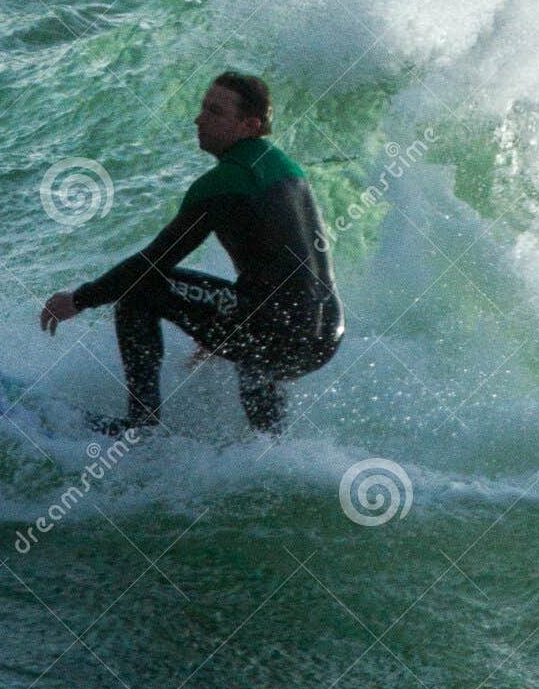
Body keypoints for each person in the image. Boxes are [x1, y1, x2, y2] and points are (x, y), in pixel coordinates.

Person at [39, 73, 343, 433]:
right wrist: (222, 324)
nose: (199, 119)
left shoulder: (224, 181)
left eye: (215, 112)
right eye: (202, 108)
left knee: (140, 289)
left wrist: (80, 299)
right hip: (324, 334)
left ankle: (141, 426)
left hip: (273, 326)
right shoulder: (286, 169)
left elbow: (153, 263)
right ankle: (274, 450)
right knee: (261, 354)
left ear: (250, 125)